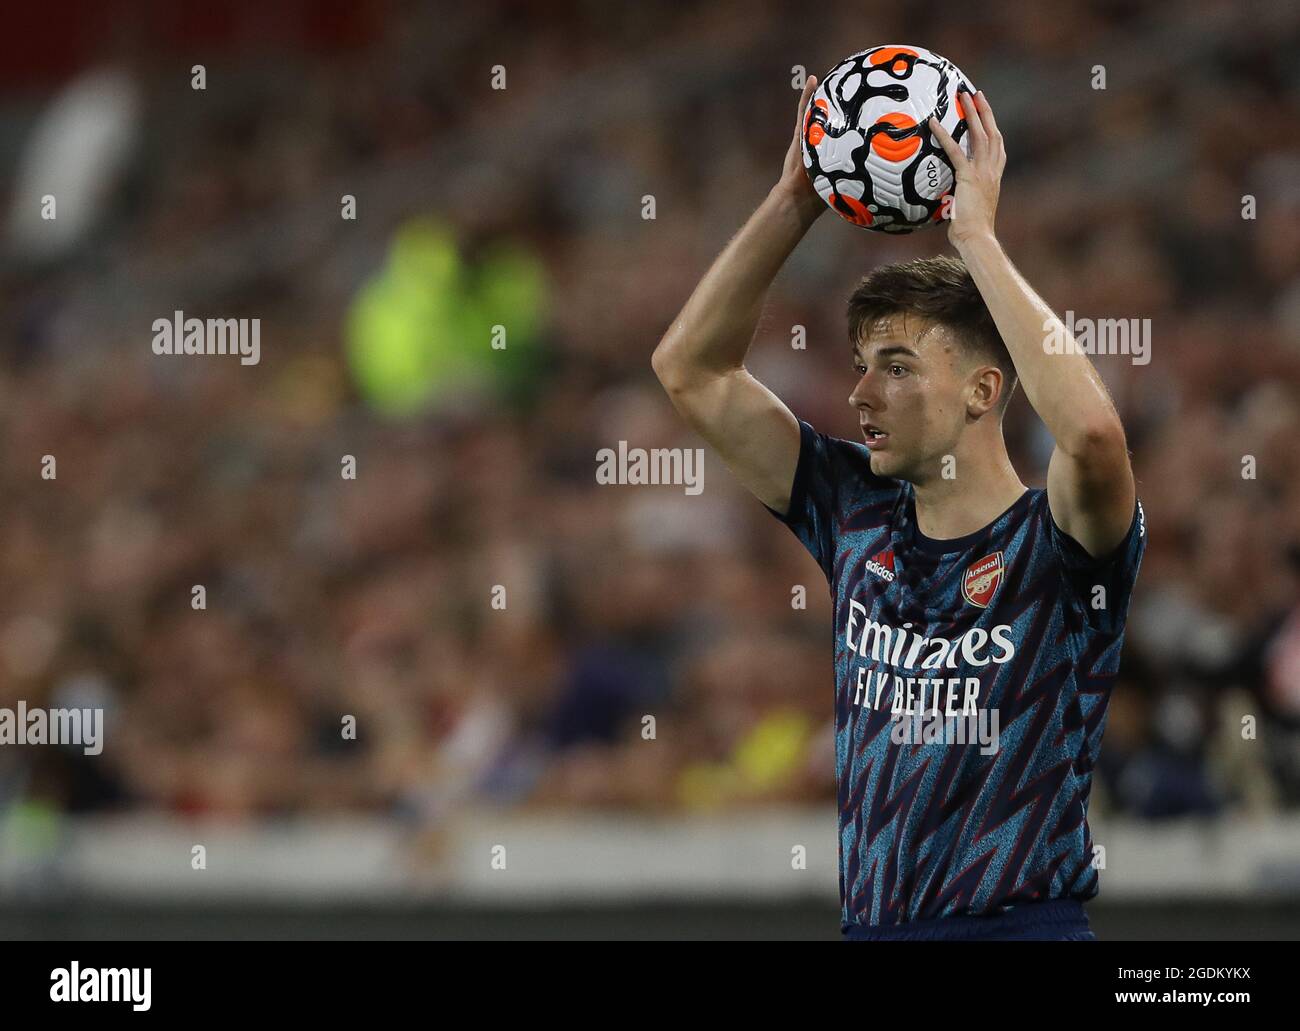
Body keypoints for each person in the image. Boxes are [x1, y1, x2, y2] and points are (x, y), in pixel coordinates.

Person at [651, 76, 1145, 941]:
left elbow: (1096, 436)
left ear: (984, 390)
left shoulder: (1059, 538)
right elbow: (691, 371)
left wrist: (978, 239)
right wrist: (792, 202)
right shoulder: (853, 508)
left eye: (898, 365)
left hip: (1019, 930)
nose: (861, 391)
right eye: (860, 362)